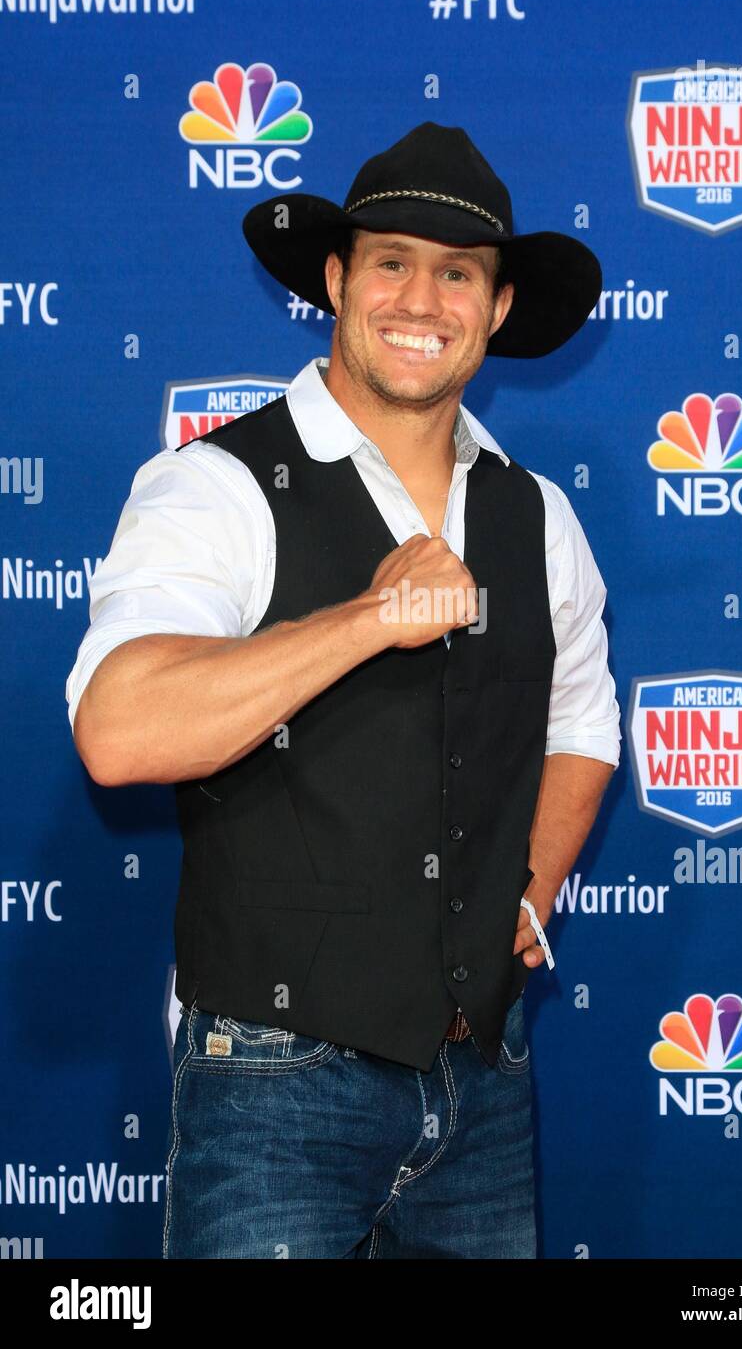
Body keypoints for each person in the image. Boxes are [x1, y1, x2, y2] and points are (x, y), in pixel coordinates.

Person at [66, 121, 621, 1259]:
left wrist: (525, 898)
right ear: (334, 278)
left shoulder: (536, 515)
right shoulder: (215, 485)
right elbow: (118, 731)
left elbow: (581, 725)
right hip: (273, 1084)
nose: (422, 298)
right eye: (391, 262)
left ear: (497, 308)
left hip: (484, 1080)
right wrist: (367, 619)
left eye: (457, 272)